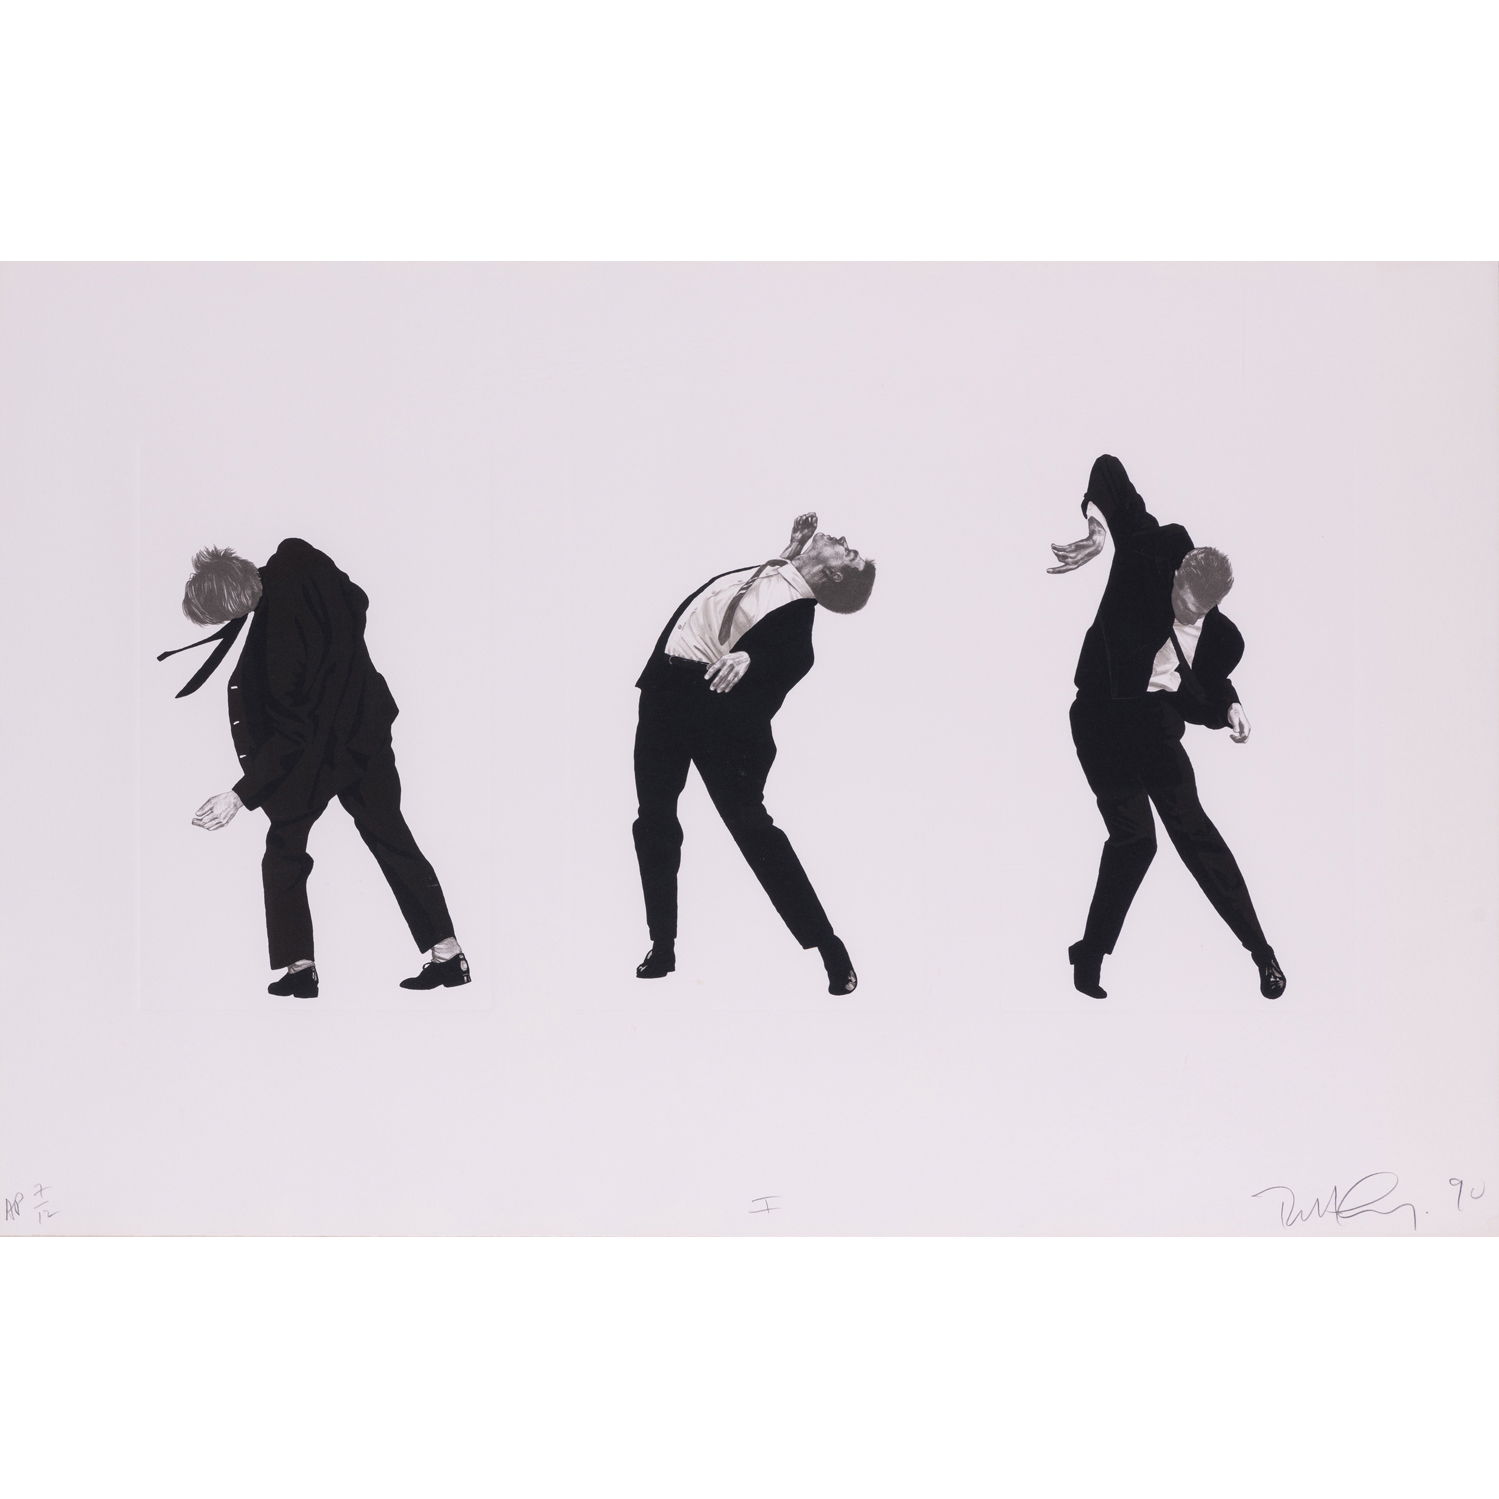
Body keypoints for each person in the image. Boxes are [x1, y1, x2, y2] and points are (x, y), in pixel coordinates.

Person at [159, 539, 469, 997]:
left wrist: (239, 796)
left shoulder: (279, 646)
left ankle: (301, 970)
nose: (228, 622)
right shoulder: (296, 556)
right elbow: (358, 598)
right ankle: (449, 956)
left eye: (225, 615)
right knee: (392, 840)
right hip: (364, 734)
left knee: (284, 853)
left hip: (316, 757)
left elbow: (294, 736)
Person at [1049, 455, 1285, 999]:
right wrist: (1098, 532)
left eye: (1197, 611)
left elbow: (1207, 686)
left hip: (1154, 724)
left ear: (1215, 605)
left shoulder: (1223, 640)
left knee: (1195, 832)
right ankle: (1090, 954)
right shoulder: (1152, 549)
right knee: (1136, 841)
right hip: (1100, 716)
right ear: (1177, 572)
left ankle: (1262, 953)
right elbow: (1109, 470)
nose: (1184, 612)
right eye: (1181, 599)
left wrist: (1231, 706)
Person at [632, 512, 876, 994]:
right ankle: (662, 944)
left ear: (834, 575)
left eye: (848, 553)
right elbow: (742, 600)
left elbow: (788, 656)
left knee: (752, 831)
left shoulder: (797, 633)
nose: (845, 540)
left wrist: (752, 658)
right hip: (664, 692)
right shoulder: (776, 573)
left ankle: (828, 945)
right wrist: (791, 553)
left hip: (714, 714)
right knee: (654, 821)